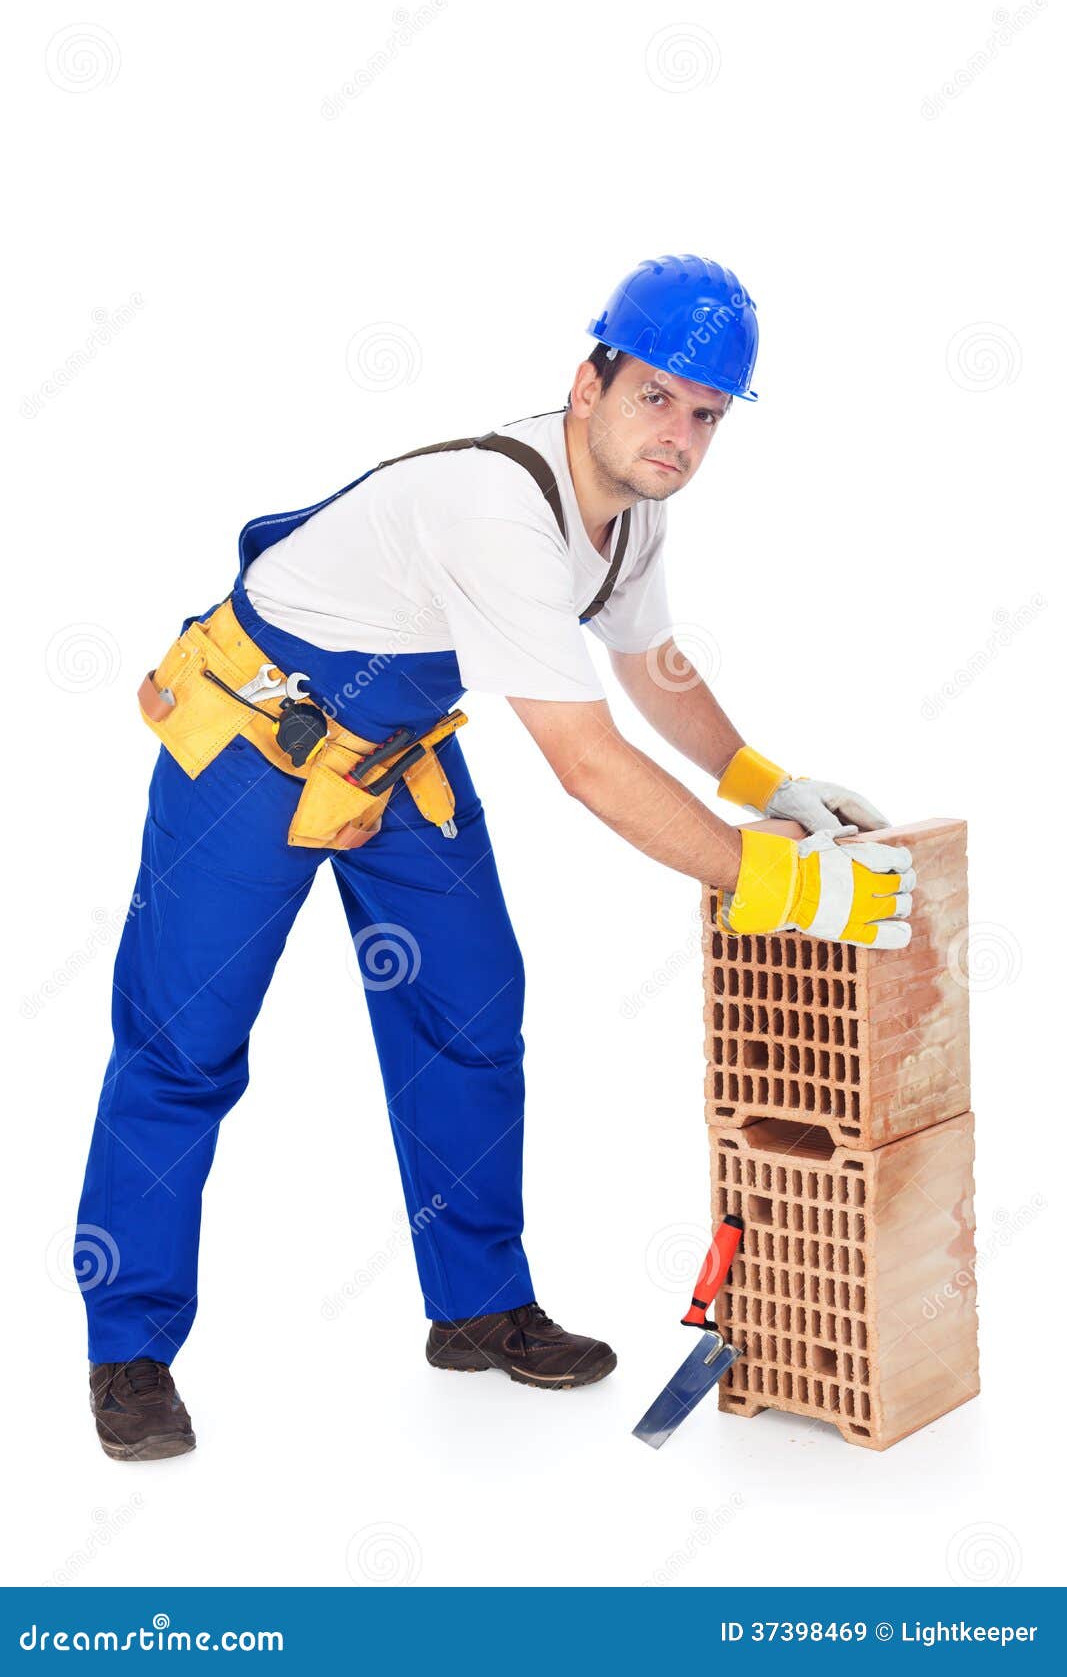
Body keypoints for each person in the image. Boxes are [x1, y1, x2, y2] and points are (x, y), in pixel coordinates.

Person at [75, 253, 915, 1459]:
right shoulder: (499, 508)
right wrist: (781, 881)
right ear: (590, 379)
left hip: (392, 749)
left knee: (471, 1011)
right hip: (255, 738)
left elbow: (647, 666)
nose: (677, 432)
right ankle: (129, 1349)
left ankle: (473, 1307)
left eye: (705, 414)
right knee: (182, 1047)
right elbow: (584, 762)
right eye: (655, 397)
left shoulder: (629, 514)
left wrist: (761, 782)